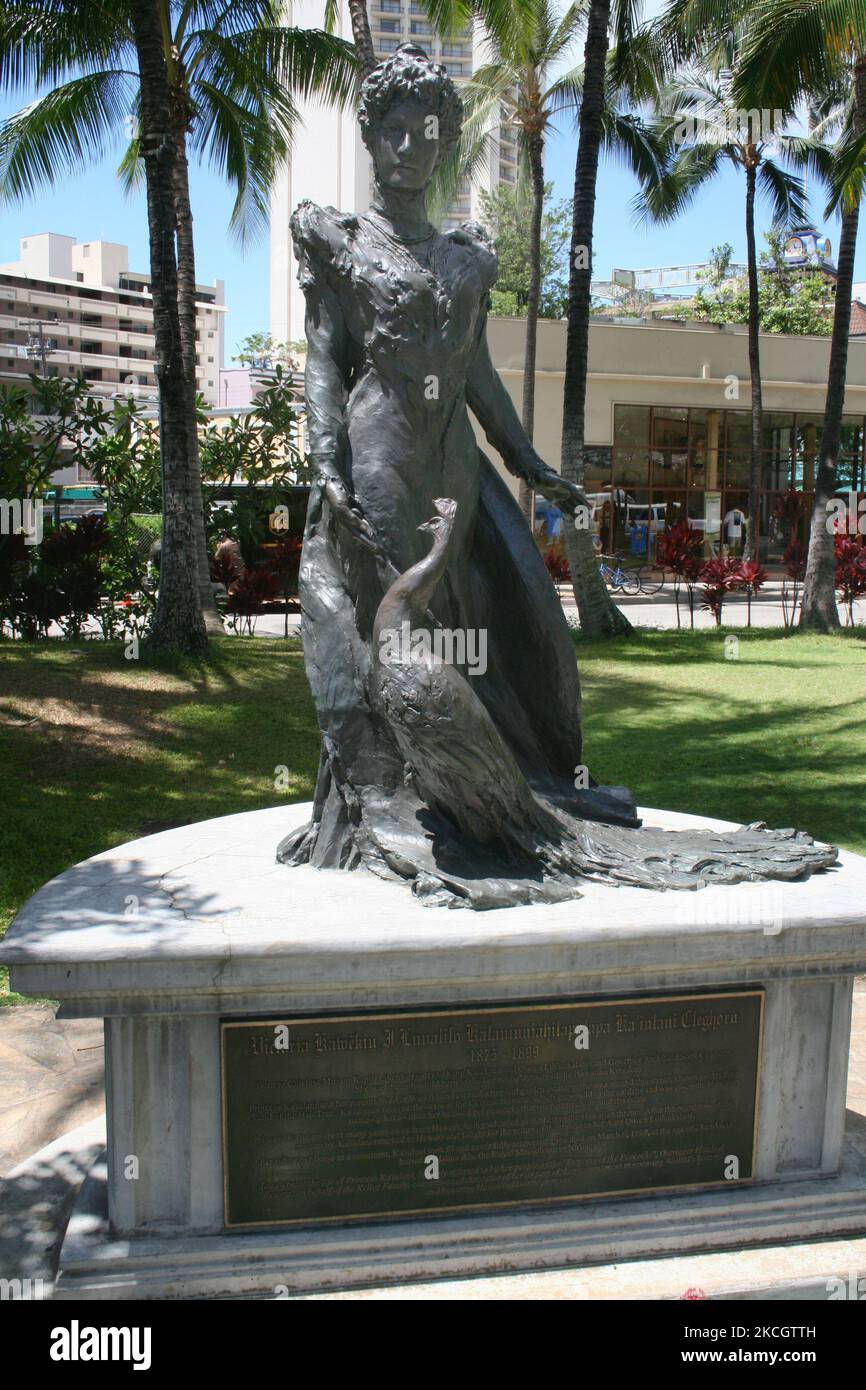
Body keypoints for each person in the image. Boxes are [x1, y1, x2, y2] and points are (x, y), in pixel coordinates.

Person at [277, 45, 834, 907]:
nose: (408, 149)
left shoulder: (464, 259)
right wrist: (322, 458)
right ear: (370, 138)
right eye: (392, 132)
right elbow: (322, 361)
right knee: (393, 620)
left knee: (479, 613)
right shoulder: (342, 243)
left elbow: (477, 376)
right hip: (380, 449)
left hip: (451, 456)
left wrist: (529, 460)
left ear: (443, 145)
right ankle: (396, 797)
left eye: (426, 133)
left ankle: (495, 785)